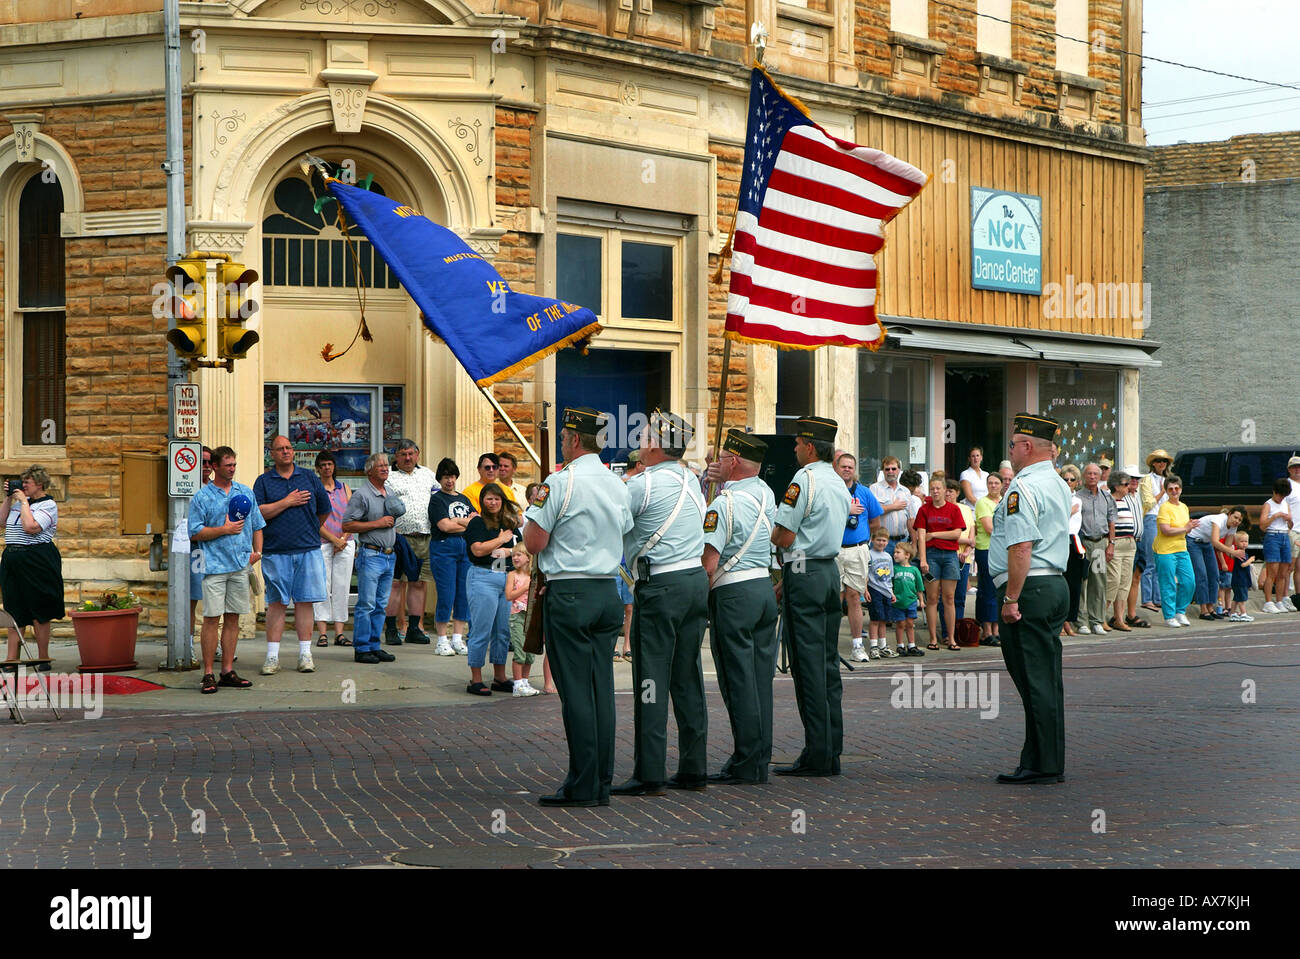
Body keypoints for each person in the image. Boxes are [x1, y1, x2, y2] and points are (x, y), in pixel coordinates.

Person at [523, 406, 633, 807]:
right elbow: (624, 530)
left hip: (570, 592)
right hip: (606, 592)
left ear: (571, 440)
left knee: (577, 695)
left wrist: (529, 519)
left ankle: (584, 782)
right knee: (600, 689)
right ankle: (600, 779)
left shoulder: (561, 482)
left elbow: (534, 542)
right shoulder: (618, 483)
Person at [613, 409, 710, 797]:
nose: (640, 438)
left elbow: (612, 521)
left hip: (661, 586)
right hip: (693, 582)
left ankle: (650, 770)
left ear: (654, 445)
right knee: (686, 677)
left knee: (651, 678)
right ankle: (693, 766)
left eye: (646, 434)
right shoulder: (690, 478)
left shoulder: (642, 484)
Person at [989, 413, 1073, 785]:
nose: (1009, 451)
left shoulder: (1023, 487)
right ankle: (1043, 759)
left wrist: (1011, 598)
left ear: (1026, 447)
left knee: (1034, 679)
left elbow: (1022, 546)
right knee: (1045, 679)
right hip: (1053, 583)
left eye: (1012, 444)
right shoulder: (1056, 483)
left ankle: (1041, 763)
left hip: (1031, 588)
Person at [771, 414, 851, 777]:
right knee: (827, 664)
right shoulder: (837, 480)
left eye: (798, 443)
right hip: (827, 572)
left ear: (809, 446)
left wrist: (784, 561)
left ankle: (817, 752)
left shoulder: (804, 479)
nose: (794, 448)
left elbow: (784, 536)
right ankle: (831, 747)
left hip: (804, 571)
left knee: (807, 667)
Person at [700, 429, 778, 784]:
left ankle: (746, 760)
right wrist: (712, 479)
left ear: (733, 461)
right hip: (762, 589)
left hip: (734, 594)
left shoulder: (725, 504)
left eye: (722, 459)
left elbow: (709, 563)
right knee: (760, 680)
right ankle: (759, 757)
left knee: (738, 681)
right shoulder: (765, 492)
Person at [187, 447, 264, 693]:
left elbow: (257, 525)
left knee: (233, 618)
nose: (232, 468)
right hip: (214, 567)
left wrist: (257, 553)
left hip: (240, 565)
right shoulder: (203, 497)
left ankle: (227, 670)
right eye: (228, 465)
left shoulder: (245, 492)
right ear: (216, 467)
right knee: (211, 619)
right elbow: (195, 532)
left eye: (234, 464)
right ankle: (208, 673)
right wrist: (224, 529)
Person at [254, 436, 331, 675]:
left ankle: (305, 654)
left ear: (293, 452)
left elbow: (323, 511)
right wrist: (287, 502)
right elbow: (257, 514)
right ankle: (272, 657)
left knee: (305, 602)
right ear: (272, 454)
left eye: (289, 448)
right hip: (276, 552)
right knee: (276, 604)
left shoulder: (308, 477)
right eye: (280, 449)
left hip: (307, 550)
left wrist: (309, 530)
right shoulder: (264, 481)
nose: (286, 452)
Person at [340, 453, 403, 665]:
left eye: (386, 465)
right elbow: (347, 525)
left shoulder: (390, 492)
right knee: (366, 603)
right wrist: (377, 523)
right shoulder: (362, 495)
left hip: (388, 555)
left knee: (381, 604)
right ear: (369, 471)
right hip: (371, 554)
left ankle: (375, 645)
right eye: (381, 465)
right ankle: (362, 648)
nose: (386, 468)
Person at [2, 466, 66, 669]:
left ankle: (43, 658)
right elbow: (1, 521)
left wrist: (23, 502)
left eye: (27, 483)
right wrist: (8, 498)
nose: (23, 486)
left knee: (40, 608)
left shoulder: (47, 505)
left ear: (39, 483)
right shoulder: (20, 503)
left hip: (36, 558)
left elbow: (30, 527)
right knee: (14, 608)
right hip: (13, 558)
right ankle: (12, 659)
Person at [463, 482, 521, 696]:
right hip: (483, 577)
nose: (493, 502)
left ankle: (499, 676)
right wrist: (500, 541)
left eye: (497, 498)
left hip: (507, 578)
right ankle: (475, 679)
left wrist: (509, 550)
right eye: (489, 498)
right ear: (482, 501)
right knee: (481, 630)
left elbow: (521, 548)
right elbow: (477, 550)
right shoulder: (477, 523)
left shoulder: (509, 522)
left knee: (502, 631)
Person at [382, 438, 437, 646]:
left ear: (417, 454)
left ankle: (415, 628)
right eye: (403, 454)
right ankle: (392, 629)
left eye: (411, 453)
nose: (407, 458)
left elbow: (439, 495)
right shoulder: (388, 476)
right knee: (395, 584)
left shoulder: (428, 474)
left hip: (424, 535)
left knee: (419, 583)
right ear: (396, 456)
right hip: (398, 537)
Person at [835, 451, 884, 662]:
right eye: (843, 466)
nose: (847, 469)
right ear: (836, 468)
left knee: (855, 597)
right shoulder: (831, 492)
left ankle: (857, 646)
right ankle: (829, 646)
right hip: (834, 550)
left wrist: (864, 541)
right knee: (833, 598)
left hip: (857, 549)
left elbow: (875, 522)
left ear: (854, 471)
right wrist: (846, 509)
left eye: (850, 467)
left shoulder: (863, 492)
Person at [426, 458, 473, 656]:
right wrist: (463, 522)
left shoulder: (464, 499)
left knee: (463, 594)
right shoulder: (437, 500)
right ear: (440, 479)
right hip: (444, 548)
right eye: (446, 477)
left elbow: (475, 522)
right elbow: (443, 526)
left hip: (465, 549)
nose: (450, 481)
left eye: (452, 476)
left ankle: (457, 638)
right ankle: (442, 640)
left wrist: (455, 519)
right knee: (446, 593)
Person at [916, 476, 965, 651]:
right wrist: (922, 558)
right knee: (931, 598)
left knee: (949, 598)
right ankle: (932, 638)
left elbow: (957, 534)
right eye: (932, 489)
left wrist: (935, 535)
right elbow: (921, 535)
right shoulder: (923, 510)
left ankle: (951, 638)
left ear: (945, 490)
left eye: (938, 488)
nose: (935, 491)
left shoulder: (953, 509)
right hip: (931, 554)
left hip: (950, 554)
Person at [312, 450, 354, 648]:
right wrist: (334, 541)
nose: (327, 468)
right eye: (323, 465)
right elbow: (313, 520)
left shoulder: (344, 488)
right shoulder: (315, 489)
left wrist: (343, 539)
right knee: (321, 586)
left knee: (342, 587)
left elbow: (352, 516)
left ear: (334, 466)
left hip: (345, 542)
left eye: (330, 464)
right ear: (318, 468)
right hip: (322, 543)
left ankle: (339, 632)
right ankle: (322, 633)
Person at [1074, 463, 1117, 636]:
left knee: (1098, 583)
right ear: (1084, 476)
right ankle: (1081, 621)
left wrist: (1111, 544)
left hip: (1100, 542)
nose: (1092, 476)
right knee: (1082, 583)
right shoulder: (1077, 497)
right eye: (1089, 473)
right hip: (1083, 543)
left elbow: (1111, 519)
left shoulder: (1106, 497)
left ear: (1100, 477)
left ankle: (1097, 620)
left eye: (1095, 474)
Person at [1186, 505, 1246, 620]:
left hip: (1206, 543)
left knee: (1214, 575)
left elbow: (1227, 547)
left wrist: (1238, 556)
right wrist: (1234, 552)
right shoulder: (1219, 520)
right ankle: (1203, 609)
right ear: (1229, 514)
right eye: (1235, 517)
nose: (1236, 521)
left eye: (1239, 520)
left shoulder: (1233, 527)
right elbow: (1215, 541)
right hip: (1194, 541)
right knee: (1202, 574)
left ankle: (1211, 607)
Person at [1154, 475, 1196, 628]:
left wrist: (1190, 526)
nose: (1174, 491)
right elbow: (1165, 530)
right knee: (1168, 583)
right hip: (1165, 550)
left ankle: (1180, 611)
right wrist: (1185, 528)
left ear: (1181, 489)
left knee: (1189, 582)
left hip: (1181, 548)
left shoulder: (1184, 507)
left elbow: (1184, 529)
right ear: (1166, 491)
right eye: (1170, 489)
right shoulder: (1165, 507)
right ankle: (1169, 615)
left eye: (1176, 488)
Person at [1105, 471, 1140, 633]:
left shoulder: (1126, 500)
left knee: (1125, 583)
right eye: (1126, 484)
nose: (1128, 487)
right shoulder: (1108, 500)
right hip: (1116, 543)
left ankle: (1119, 618)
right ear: (1117, 486)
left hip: (1129, 543)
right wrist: (1110, 543)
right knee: (1113, 581)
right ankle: (1101, 616)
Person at [188, 445, 214, 662]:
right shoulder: (188, 488)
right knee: (192, 598)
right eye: (202, 462)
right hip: (195, 549)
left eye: (209, 462)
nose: (206, 466)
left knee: (215, 598)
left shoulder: (214, 487)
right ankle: (187, 644)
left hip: (214, 549)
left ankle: (213, 644)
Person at [1139, 450, 1172, 612]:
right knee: (1150, 561)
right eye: (1158, 461)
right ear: (1153, 463)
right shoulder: (1147, 480)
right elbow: (1148, 503)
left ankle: (1157, 597)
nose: (1161, 464)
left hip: (1165, 519)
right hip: (1152, 518)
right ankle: (1146, 598)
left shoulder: (1167, 480)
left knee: (1161, 561)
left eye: (1164, 461)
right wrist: (1162, 491)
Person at [505, 543, 541, 696]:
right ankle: (517, 685)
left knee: (530, 652)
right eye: (513, 555)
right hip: (517, 615)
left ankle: (525, 681)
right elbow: (508, 596)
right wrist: (525, 587)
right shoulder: (512, 575)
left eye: (519, 554)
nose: (515, 557)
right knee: (520, 650)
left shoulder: (534, 575)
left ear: (528, 557)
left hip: (532, 616)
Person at [974, 472, 1004, 645]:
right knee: (987, 588)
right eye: (990, 483)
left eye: (996, 483)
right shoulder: (983, 503)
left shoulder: (1004, 501)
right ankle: (987, 631)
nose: (993, 486)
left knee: (999, 589)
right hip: (986, 549)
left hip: (1001, 550)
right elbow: (988, 527)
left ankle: (997, 629)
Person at [1058, 464, 1084, 637]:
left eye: (1072, 479)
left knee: (1073, 585)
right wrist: (1069, 511)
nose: (1068, 482)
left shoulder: (1077, 500)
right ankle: (1059, 622)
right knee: (1060, 584)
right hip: (1060, 541)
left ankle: (1068, 621)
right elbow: (1058, 517)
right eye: (1065, 479)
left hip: (1074, 542)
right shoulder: (1058, 498)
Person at [1259, 480, 1293, 613]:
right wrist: (1275, 516)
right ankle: (1268, 602)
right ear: (1274, 492)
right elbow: (1262, 526)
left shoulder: (1286, 503)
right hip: (1272, 536)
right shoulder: (1268, 504)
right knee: (1272, 572)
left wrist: (1289, 519)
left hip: (1285, 535)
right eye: (1280, 495)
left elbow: (1290, 525)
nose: (1281, 498)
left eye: (1284, 496)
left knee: (1283, 573)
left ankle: (1279, 601)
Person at [869, 455, 911, 552]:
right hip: (881, 543)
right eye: (887, 469)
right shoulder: (874, 489)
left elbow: (910, 519)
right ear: (883, 471)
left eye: (893, 469)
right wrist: (893, 506)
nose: (890, 472)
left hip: (903, 542)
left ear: (899, 470)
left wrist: (914, 542)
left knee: (901, 568)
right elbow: (872, 512)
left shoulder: (905, 491)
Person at [890, 540, 924, 656]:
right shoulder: (894, 569)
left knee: (910, 623)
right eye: (894, 552)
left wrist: (922, 600)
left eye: (898, 552)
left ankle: (912, 645)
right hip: (898, 601)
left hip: (911, 601)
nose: (895, 554)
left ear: (907, 555)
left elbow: (919, 586)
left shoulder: (914, 570)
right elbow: (890, 584)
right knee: (900, 623)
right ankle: (900, 645)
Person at [1229, 530, 1256, 621]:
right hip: (1240, 580)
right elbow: (1243, 564)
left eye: (1246, 541)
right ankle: (1243, 614)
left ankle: (1232, 613)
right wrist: (1251, 560)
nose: (1244, 543)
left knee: (1236, 598)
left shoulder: (1243, 552)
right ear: (1236, 543)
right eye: (1242, 541)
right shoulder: (1240, 553)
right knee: (1241, 599)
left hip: (1240, 579)